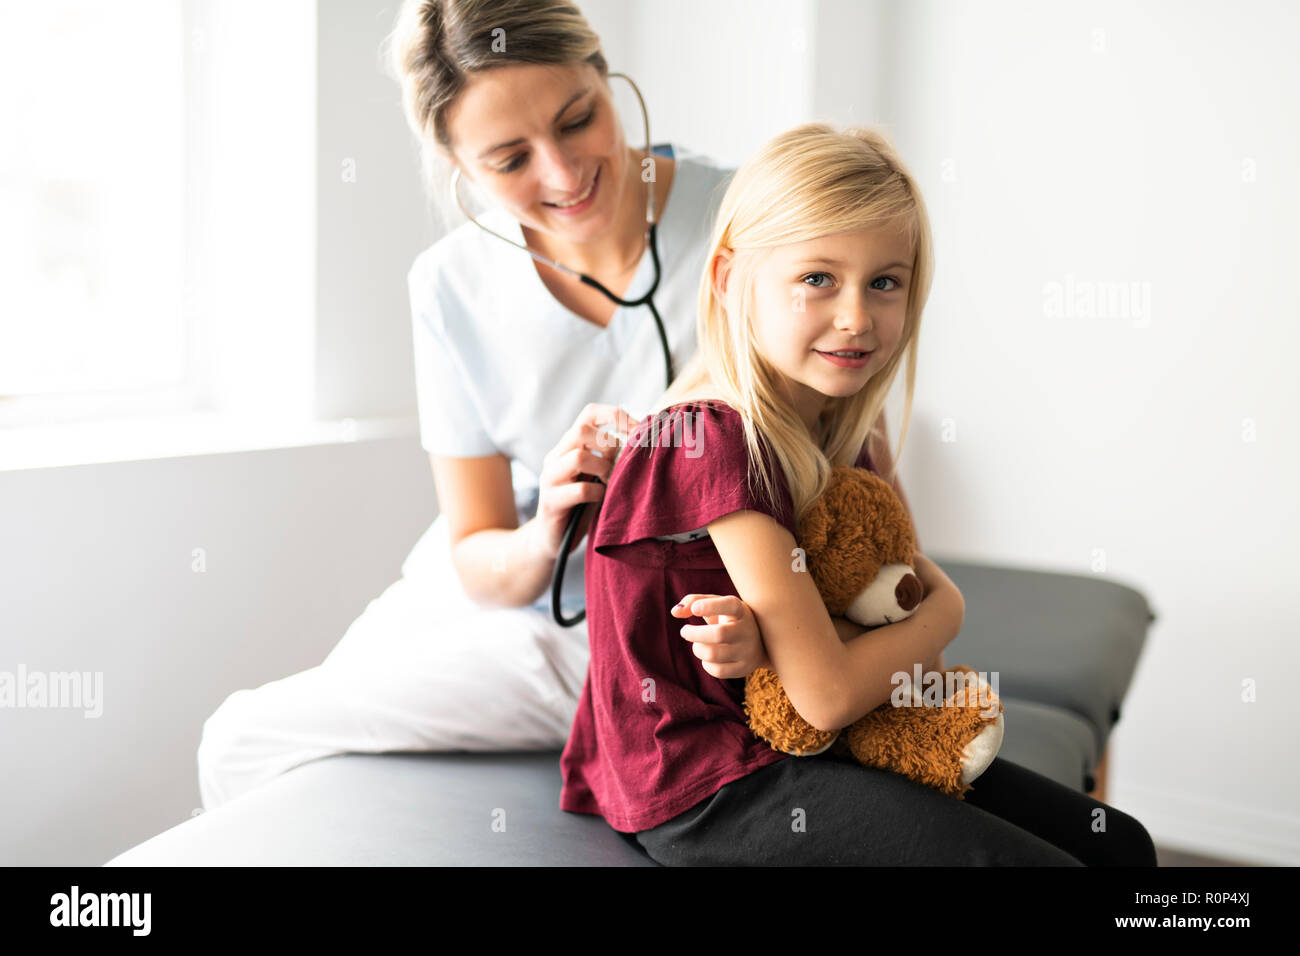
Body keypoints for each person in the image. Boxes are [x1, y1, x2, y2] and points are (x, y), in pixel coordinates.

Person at [195, 0, 775, 809]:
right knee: (245, 745)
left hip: (644, 618)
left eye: (579, 120)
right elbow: (477, 552)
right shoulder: (448, 287)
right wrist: (545, 531)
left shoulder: (754, 222)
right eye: (509, 160)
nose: (565, 175)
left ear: (606, 77)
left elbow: (860, 465)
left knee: (249, 736)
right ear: (459, 168)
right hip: (502, 583)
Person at [559, 122, 1159, 866]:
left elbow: (887, 617)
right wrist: (949, 609)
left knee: (1122, 848)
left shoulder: (850, 426)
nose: (856, 316)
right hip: (707, 779)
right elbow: (831, 692)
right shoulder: (711, 440)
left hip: (807, 740)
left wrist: (878, 630)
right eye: (817, 278)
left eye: (885, 282)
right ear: (727, 279)